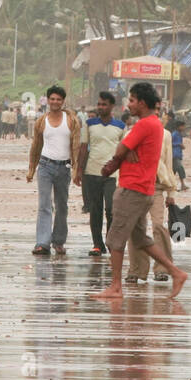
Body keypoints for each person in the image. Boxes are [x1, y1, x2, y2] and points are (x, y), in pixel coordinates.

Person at [91, 82, 188, 300]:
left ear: (142, 103)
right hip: (144, 189)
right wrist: (127, 151)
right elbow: (126, 148)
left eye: (132, 100)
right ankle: (176, 272)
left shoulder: (144, 125)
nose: (129, 104)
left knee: (115, 238)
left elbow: (120, 148)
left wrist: (125, 151)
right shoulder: (154, 125)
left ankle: (115, 287)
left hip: (132, 189)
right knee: (142, 239)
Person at [126, 107, 179, 285]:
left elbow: (169, 163)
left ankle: (162, 269)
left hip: (156, 187)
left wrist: (171, 192)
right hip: (136, 187)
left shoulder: (166, 135)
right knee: (135, 228)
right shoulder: (131, 133)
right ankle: (136, 270)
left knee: (158, 225)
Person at [26, 85, 81, 256]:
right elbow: (36, 146)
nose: (55, 102)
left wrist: (76, 170)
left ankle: (58, 241)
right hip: (45, 166)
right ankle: (42, 243)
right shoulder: (41, 121)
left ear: (63, 101)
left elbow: (77, 147)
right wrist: (31, 169)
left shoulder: (71, 120)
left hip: (64, 167)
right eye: (52, 99)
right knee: (44, 205)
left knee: (62, 206)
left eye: (58, 99)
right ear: (48, 100)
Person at [80, 92, 125, 257]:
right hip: (91, 172)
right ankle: (97, 245)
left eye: (104, 104)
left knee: (111, 210)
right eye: (99, 104)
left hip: (112, 175)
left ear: (112, 106)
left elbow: (123, 152)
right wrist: (79, 171)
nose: (100, 107)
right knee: (95, 210)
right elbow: (84, 147)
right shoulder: (89, 124)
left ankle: (110, 242)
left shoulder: (120, 126)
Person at [171, 119, 188, 191]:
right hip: (174, 155)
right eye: (183, 126)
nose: (184, 128)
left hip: (178, 154)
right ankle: (182, 185)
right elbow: (169, 143)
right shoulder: (174, 134)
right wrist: (179, 144)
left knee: (174, 171)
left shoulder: (179, 134)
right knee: (180, 169)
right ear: (179, 127)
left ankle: (174, 186)